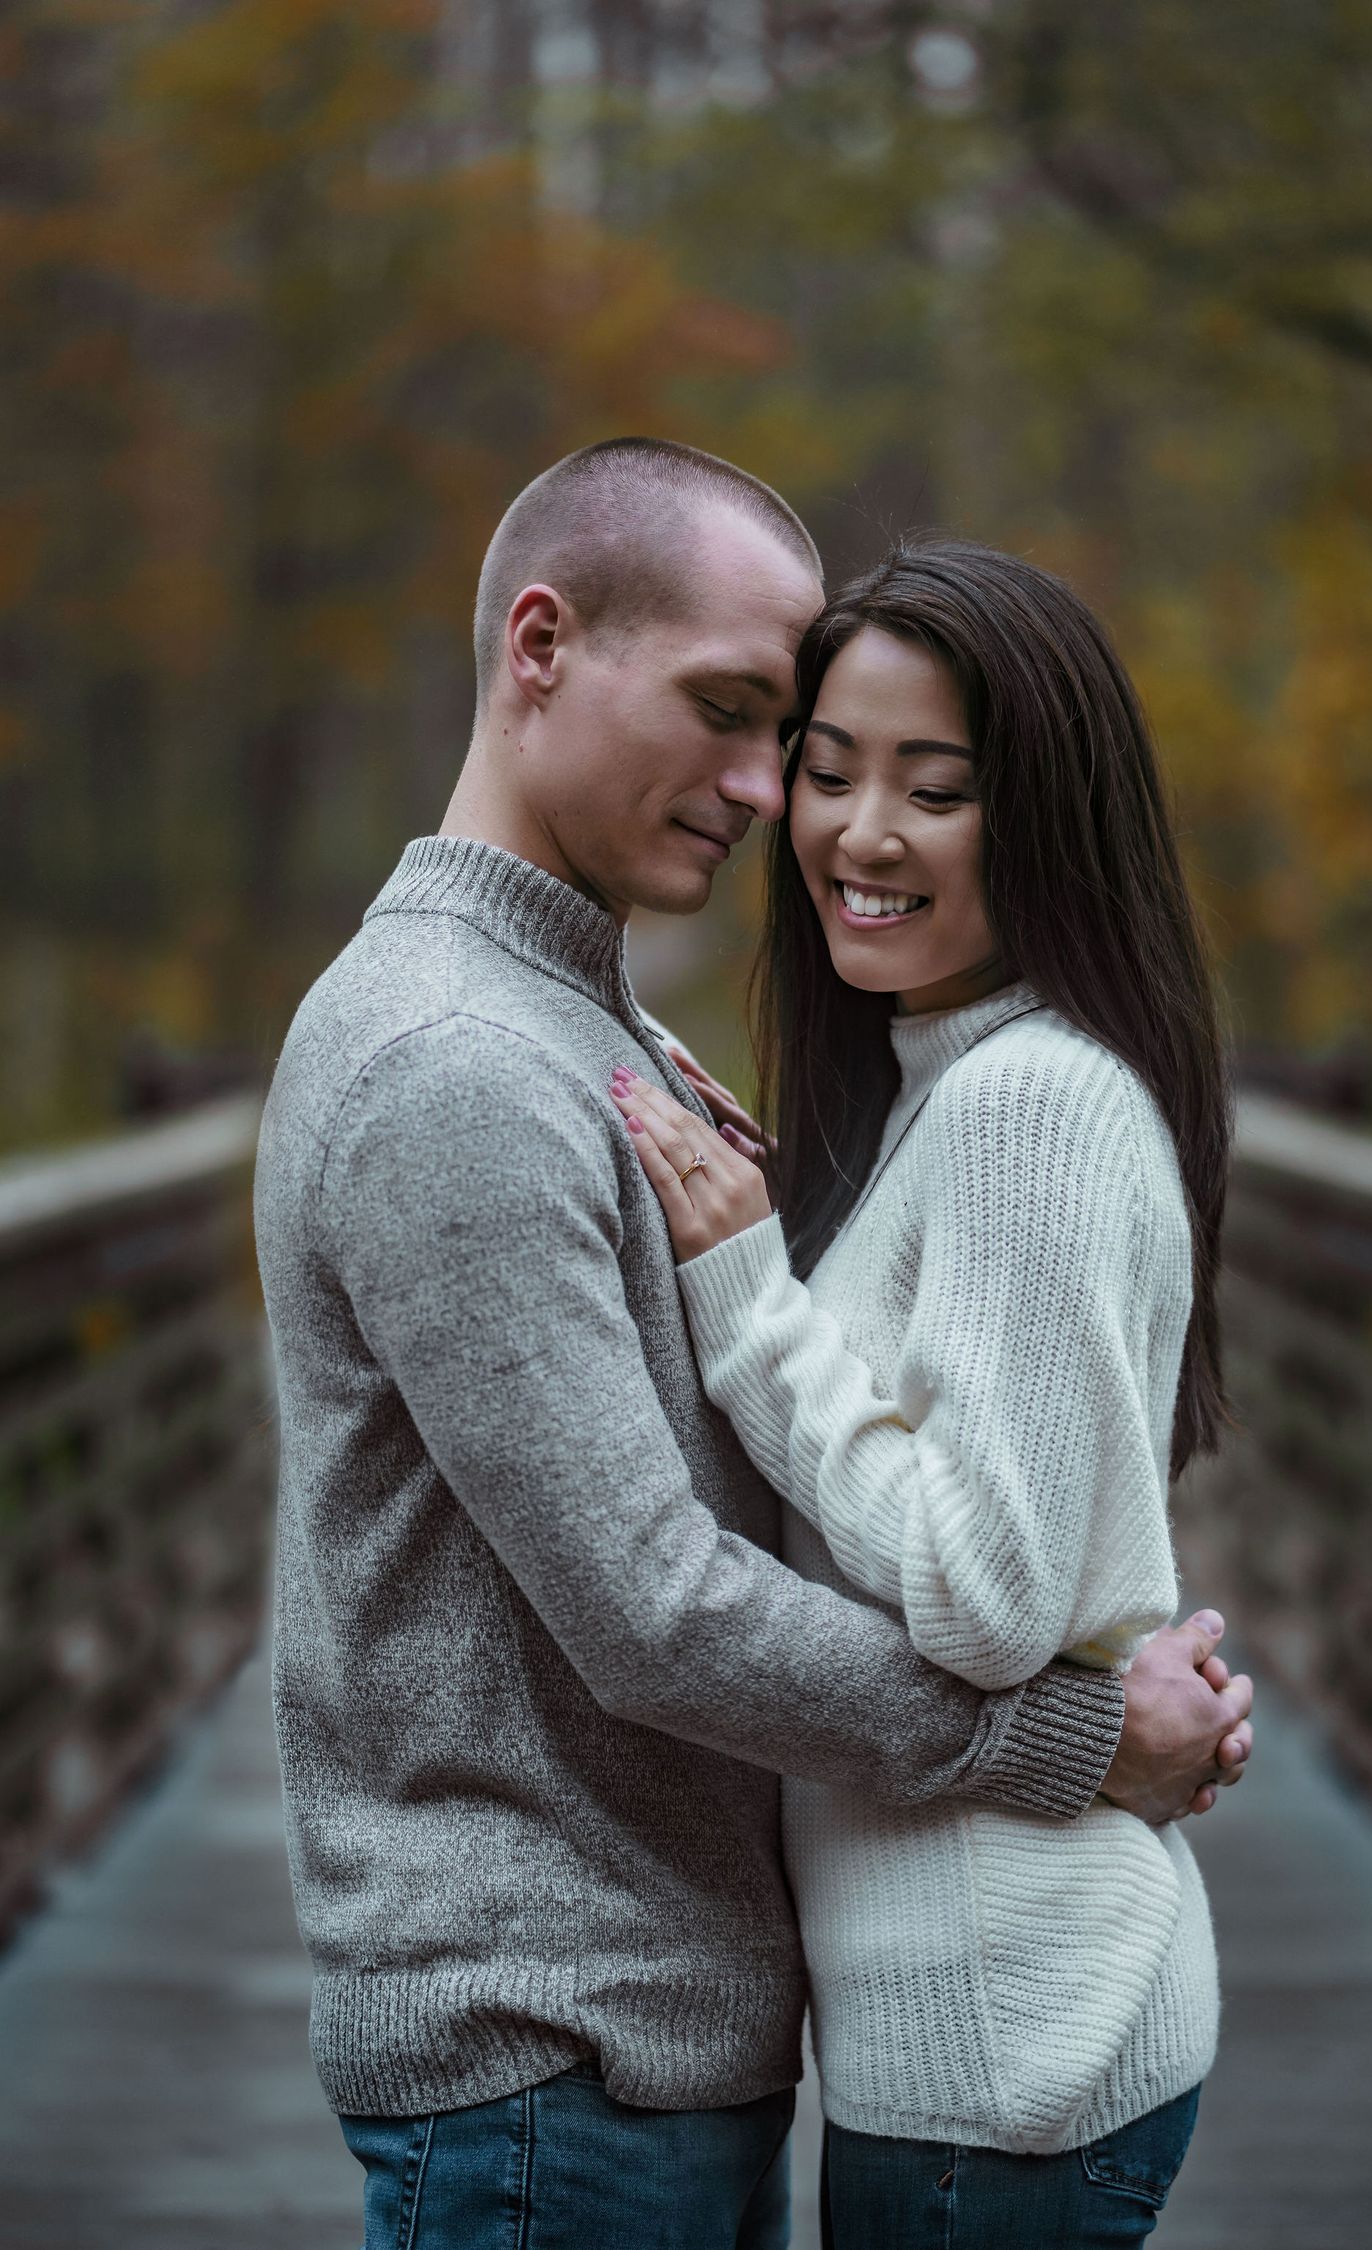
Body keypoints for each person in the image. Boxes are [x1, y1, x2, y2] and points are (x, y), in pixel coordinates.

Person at [253, 443, 1253, 2250]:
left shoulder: (578, 1015)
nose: (762, 790)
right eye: (738, 715)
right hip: (553, 2055)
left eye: (775, 733)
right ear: (539, 645)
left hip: (661, 2040)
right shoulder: (459, 1068)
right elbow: (653, 1602)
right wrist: (1074, 1739)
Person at [613, 535, 1235, 2247]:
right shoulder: (942, 1087)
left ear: (1040, 817)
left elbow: (986, 1594)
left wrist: (748, 1303)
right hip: (960, 2036)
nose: (860, 834)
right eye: (825, 772)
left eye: (934, 788)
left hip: (1009, 2055)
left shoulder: (1031, 1106)